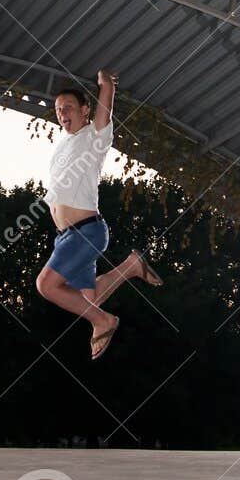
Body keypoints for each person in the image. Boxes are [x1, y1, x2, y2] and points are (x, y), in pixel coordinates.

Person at [35, 68, 160, 359]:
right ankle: (131, 266)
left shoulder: (95, 137)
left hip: (86, 232)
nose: (62, 113)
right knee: (89, 300)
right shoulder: (64, 145)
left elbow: (105, 112)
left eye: (68, 107)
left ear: (85, 110)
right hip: (66, 237)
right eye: (57, 109)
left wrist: (106, 86)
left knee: (46, 285)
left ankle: (104, 321)